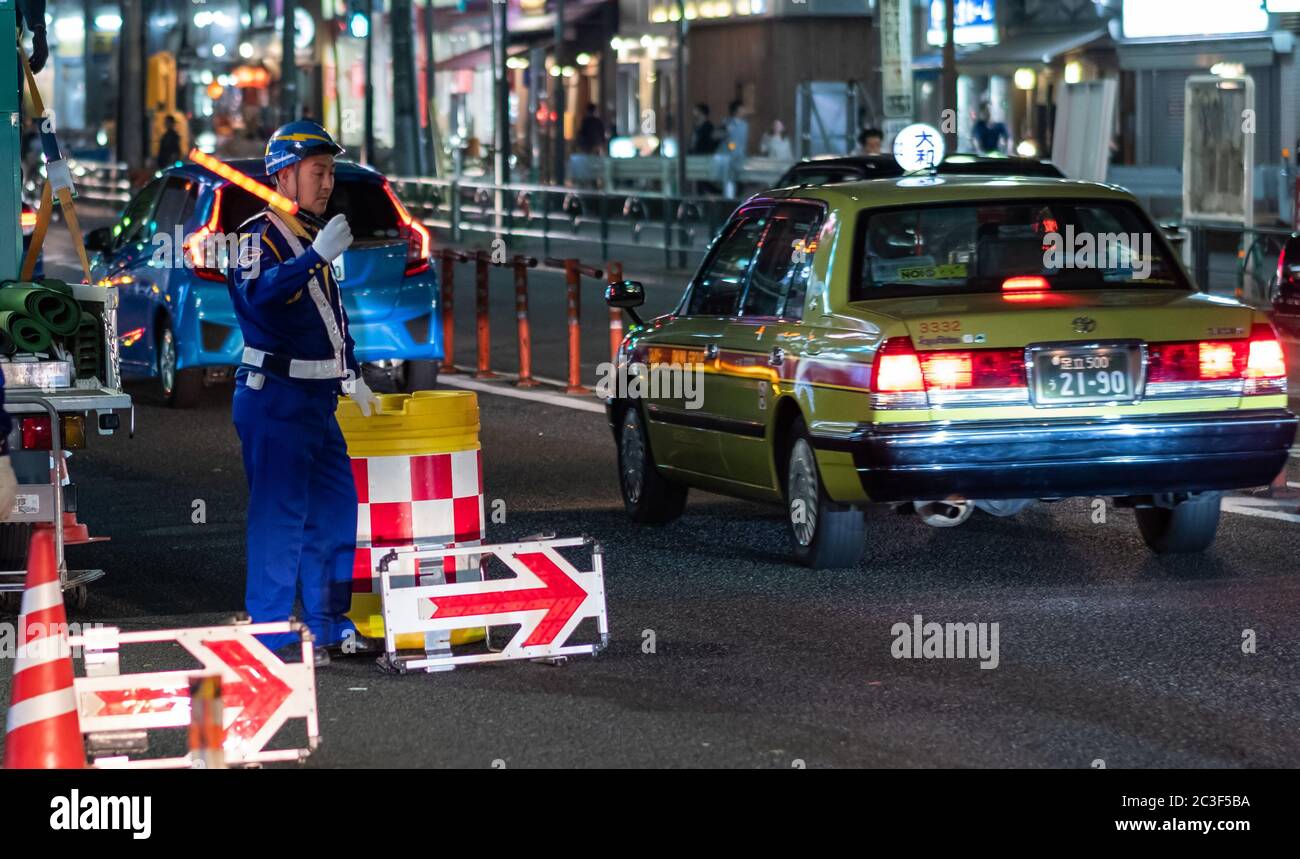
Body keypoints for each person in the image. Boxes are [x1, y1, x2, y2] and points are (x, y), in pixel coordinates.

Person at [225, 120, 379, 664]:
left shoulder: (310, 234)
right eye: (318, 171)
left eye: (331, 172)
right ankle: (268, 633)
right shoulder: (253, 236)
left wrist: (351, 372)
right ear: (284, 175)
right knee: (280, 515)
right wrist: (313, 258)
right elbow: (258, 299)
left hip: (316, 399)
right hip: (274, 396)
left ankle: (330, 624)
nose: (327, 182)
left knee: (337, 512)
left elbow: (329, 318)